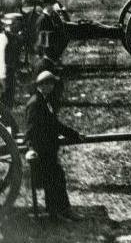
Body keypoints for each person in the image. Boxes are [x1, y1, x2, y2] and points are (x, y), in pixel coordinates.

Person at [24, 70, 84, 221]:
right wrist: (31, 149)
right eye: (49, 84)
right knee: (55, 177)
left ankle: (56, 212)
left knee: (54, 179)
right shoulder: (35, 103)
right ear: (41, 85)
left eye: (52, 84)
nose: (51, 87)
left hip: (49, 148)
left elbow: (54, 124)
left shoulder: (45, 100)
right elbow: (30, 130)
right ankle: (62, 211)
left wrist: (74, 134)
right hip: (42, 150)